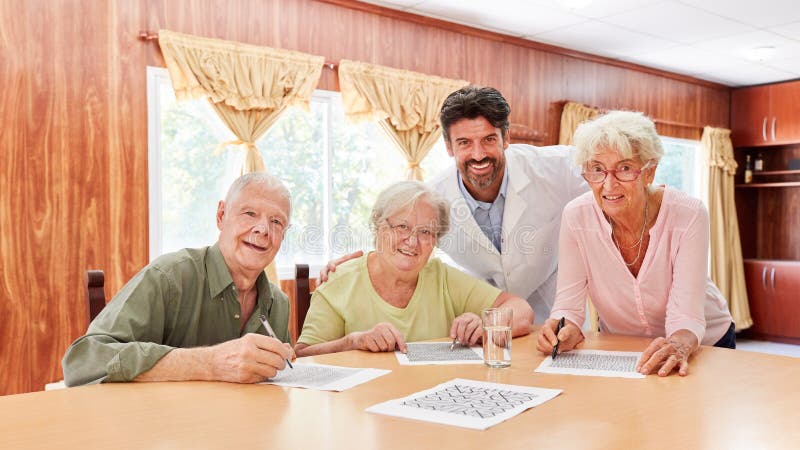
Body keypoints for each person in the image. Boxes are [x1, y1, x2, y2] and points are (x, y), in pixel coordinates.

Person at [320, 86, 588, 322]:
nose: (478, 154)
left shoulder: (556, 168)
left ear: (506, 138)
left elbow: (607, 180)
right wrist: (352, 267)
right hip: (484, 319)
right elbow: (404, 242)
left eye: (489, 140)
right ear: (449, 147)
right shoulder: (434, 199)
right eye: (464, 143)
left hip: (556, 312)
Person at [536, 111, 735, 377]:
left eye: (624, 168)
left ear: (649, 172)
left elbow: (685, 315)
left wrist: (678, 345)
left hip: (700, 344)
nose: (608, 184)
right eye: (597, 169)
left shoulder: (689, 214)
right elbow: (568, 306)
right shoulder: (576, 216)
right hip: (623, 349)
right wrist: (564, 328)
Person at [62, 173, 295, 386]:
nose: (263, 229)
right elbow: (82, 362)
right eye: (249, 214)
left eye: (276, 222)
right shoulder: (169, 278)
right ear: (221, 216)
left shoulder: (279, 304)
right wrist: (210, 363)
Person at [295, 181, 534, 356]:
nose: (412, 241)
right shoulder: (339, 281)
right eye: (402, 227)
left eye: (425, 232)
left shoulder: (442, 277)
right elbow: (303, 355)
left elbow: (521, 310)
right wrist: (353, 342)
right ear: (378, 226)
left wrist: (486, 326)